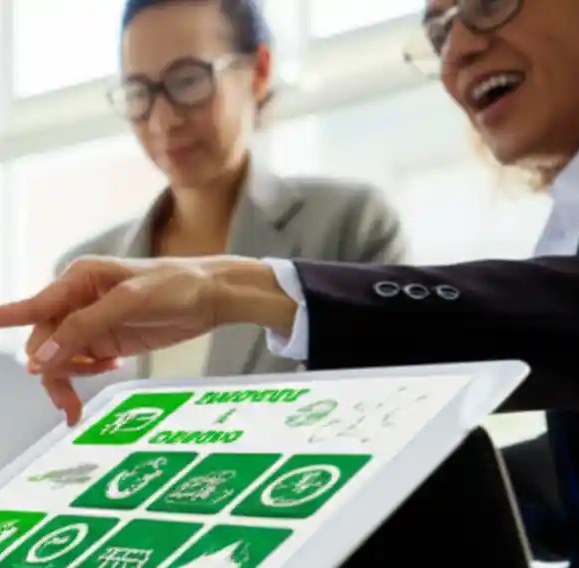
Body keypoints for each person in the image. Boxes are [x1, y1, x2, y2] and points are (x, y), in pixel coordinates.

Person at [0, 0, 579, 568]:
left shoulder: (346, 219)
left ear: (257, 73)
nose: (457, 49)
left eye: (187, 80)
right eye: (437, 31)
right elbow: (577, 465)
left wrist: (245, 290)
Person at [56, 0, 407, 380]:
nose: (163, 120)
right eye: (139, 91)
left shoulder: (349, 226)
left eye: (189, 80)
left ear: (258, 71)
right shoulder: (86, 269)